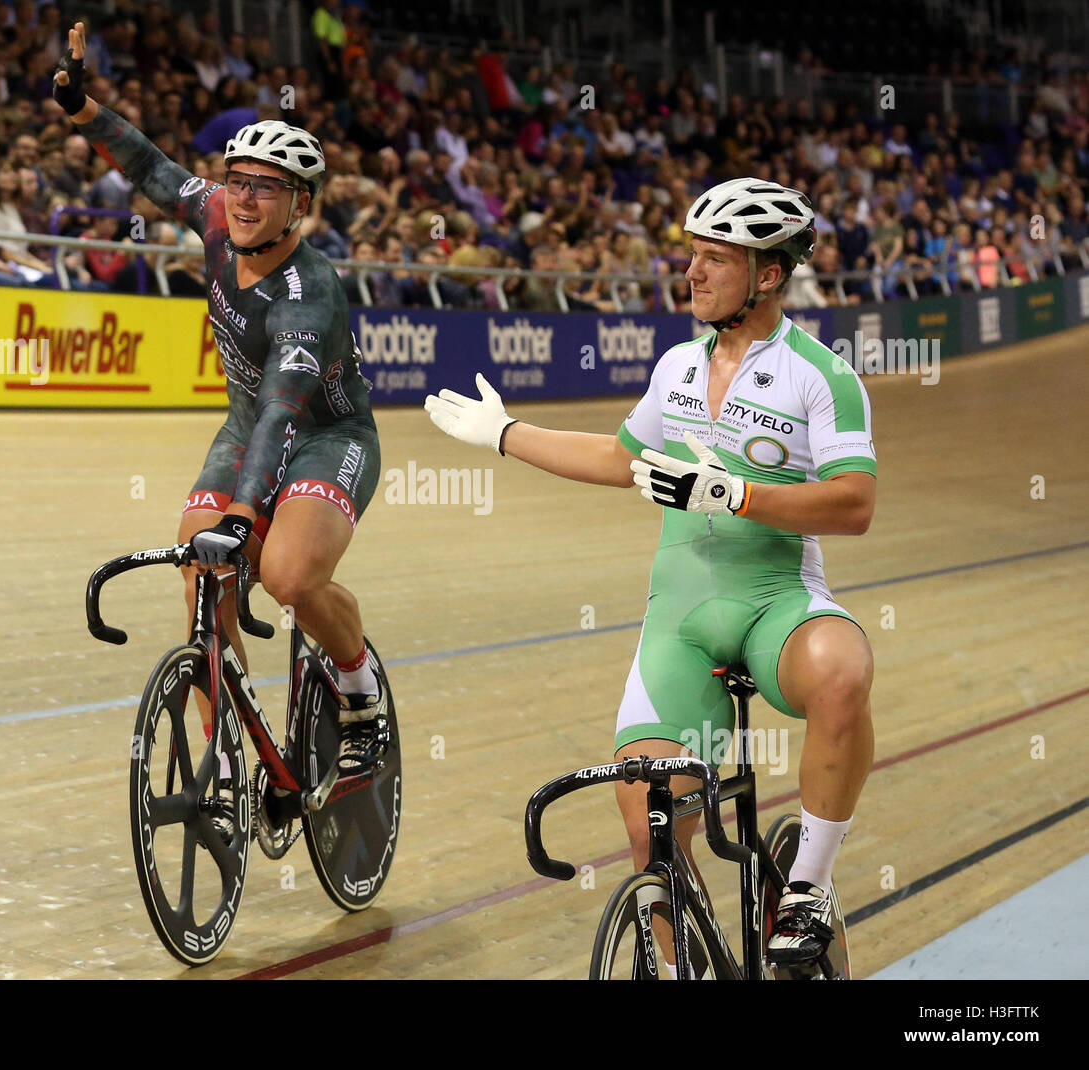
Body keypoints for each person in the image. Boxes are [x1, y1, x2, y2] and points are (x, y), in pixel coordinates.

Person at [425, 178, 876, 974]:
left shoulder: (821, 376)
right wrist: (506, 433)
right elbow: (619, 456)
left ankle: (807, 886)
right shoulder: (675, 367)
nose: (692, 273)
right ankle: (679, 966)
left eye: (713, 259)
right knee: (650, 828)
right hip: (683, 619)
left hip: (778, 604)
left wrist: (734, 491)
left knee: (843, 671)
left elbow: (853, 504)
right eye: (691, 257)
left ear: (768, 274)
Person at [53, 25, 389, 778]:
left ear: (298, 205)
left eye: (266, 187)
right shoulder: (213, 209)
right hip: (248, 425)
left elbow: (282, 408)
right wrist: (82, 108)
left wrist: (243, 520)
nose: (244, 198)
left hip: (328, 436)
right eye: (238, 179)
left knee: (289, 578)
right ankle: (229, 759)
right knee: (203, 574)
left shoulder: (311, 294)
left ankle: (359, 683)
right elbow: (148, 164)